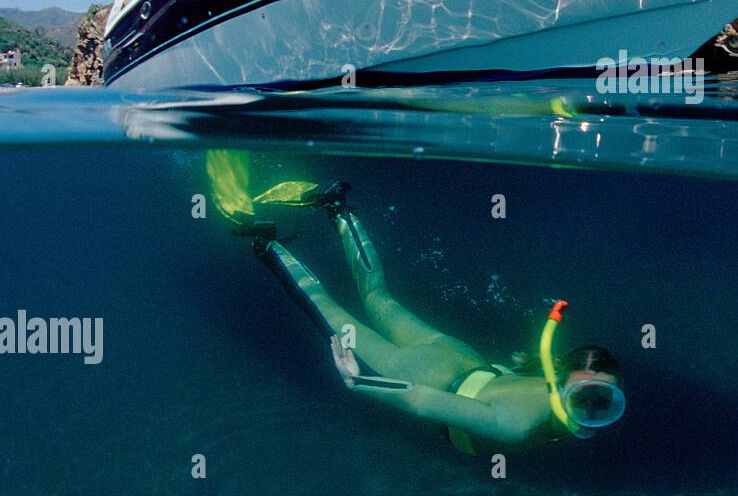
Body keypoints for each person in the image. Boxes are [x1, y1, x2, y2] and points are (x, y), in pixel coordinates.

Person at [235, 182, 624, 455]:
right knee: (329, 310)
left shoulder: (551, 375)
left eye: (603, 400)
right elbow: (422, 400)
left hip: (457, 354)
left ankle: (338, 208)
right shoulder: (515, 426)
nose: (592, 409)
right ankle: (265, 241)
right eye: (590, 397)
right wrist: (359, 381)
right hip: (426, 372)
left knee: (377, 297)